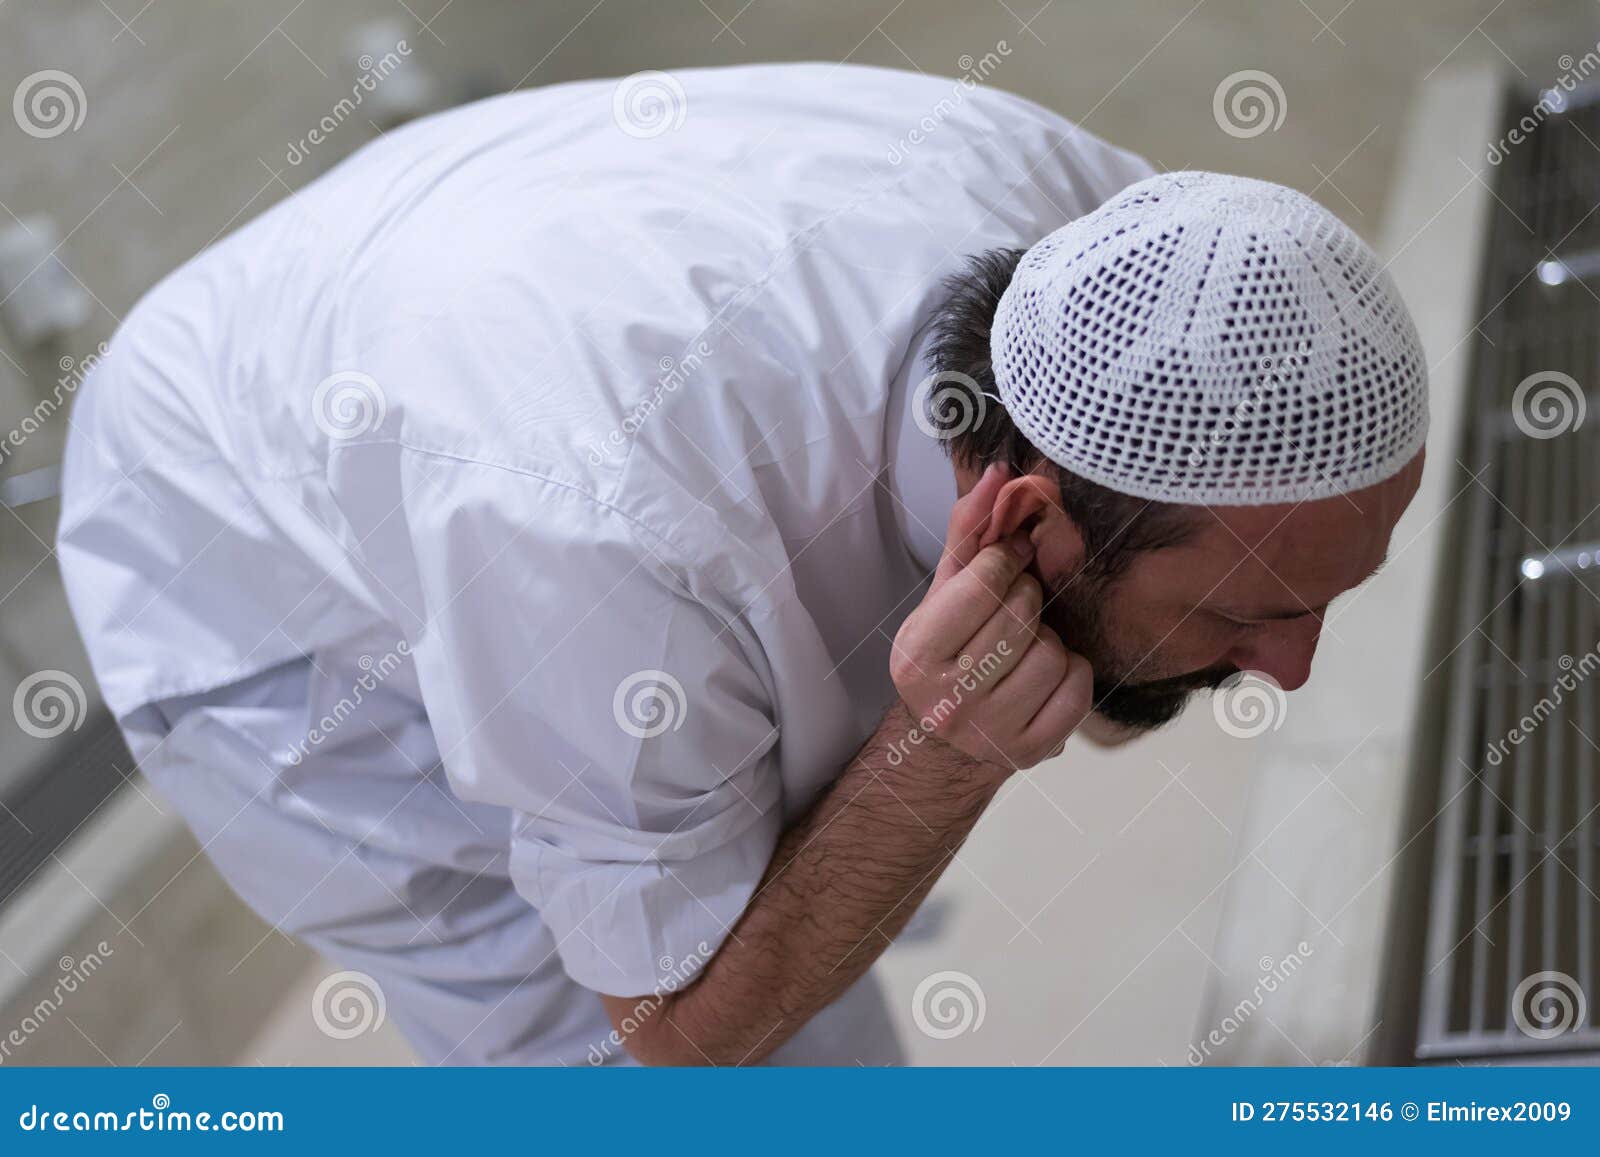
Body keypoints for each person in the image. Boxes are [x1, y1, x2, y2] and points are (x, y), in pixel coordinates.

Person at [57, 63, 1427, 1066]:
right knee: (598, 1058)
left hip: (468, 260)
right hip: (236, 547)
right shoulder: (605, 537)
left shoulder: (1156, 267)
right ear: (1018, 524)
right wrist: (936, 756)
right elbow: (674, 1032)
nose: (1293, 666)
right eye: (1259, 613)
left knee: (788, 924)